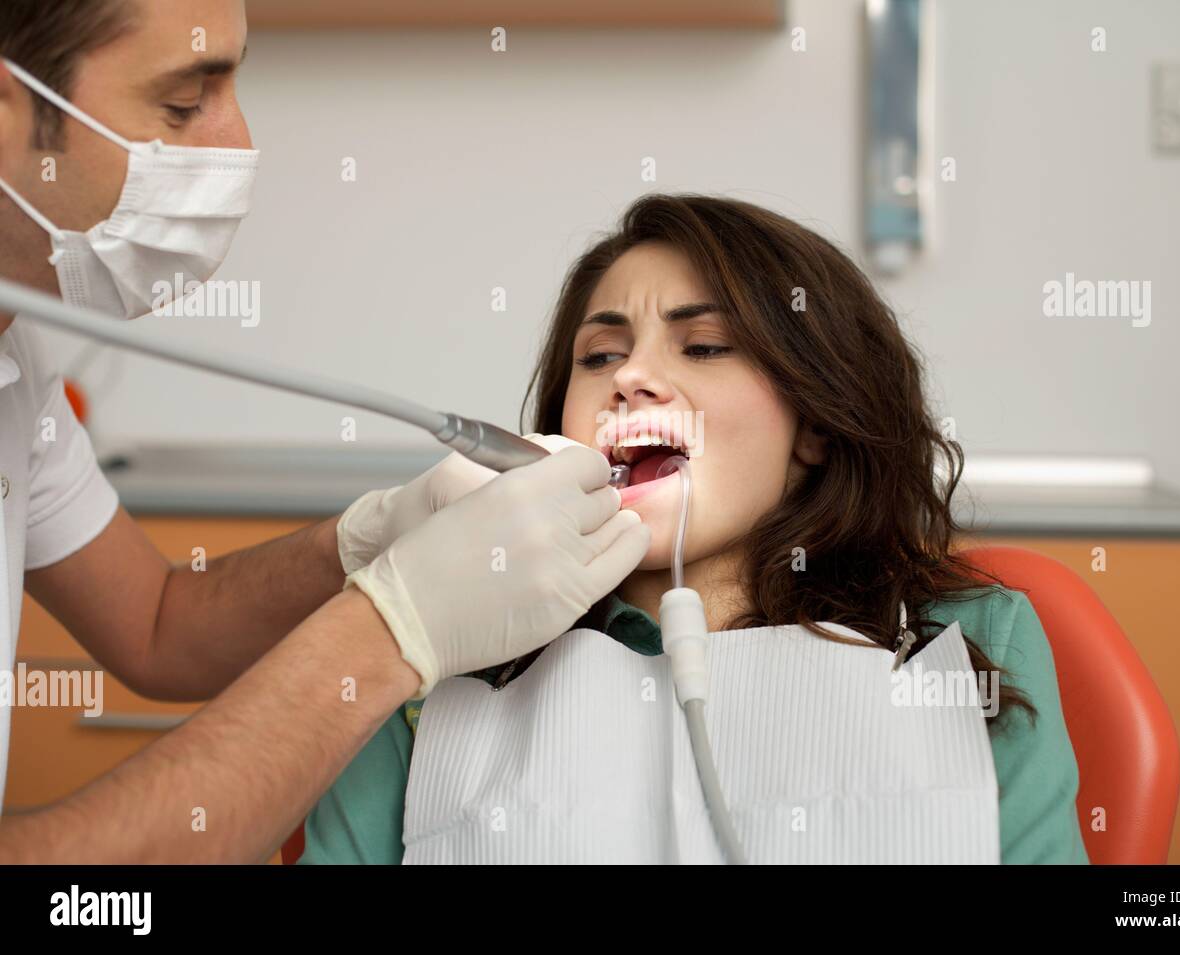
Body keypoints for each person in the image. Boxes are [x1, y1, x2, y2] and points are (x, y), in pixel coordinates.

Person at [0, 0, 651, 863]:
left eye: (708, 345)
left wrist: (368, 541)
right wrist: (394, 630)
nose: (237, 145)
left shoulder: (18, 367)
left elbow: (159, 625)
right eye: (184, 104)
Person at [302, 194, 1091, 864]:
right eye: (600, 353)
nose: (629, 377)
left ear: (813, 423)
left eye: (704, 344)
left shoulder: (962, 643)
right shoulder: (435, 664)